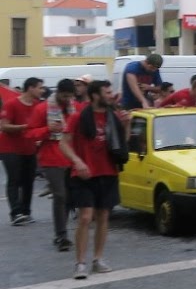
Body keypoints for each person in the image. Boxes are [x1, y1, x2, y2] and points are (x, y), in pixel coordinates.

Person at [56, 81, 125, 278]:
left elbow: (121, 146)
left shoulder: (114, 117)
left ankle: (98, 259)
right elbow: (63, 144)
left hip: (108, 172)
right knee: (86, 217)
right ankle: (80, 263)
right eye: (107, 92)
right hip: (84, 174)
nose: (111, 95)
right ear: (95, 95)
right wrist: (77, 161)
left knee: (103, 217)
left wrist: (126, 126)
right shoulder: (79, 117)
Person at [32, 81, 77, 251]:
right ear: (58, 92)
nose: (67, 99)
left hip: (70, 157)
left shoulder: (74, 108)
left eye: (70, 97)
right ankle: (61, 236)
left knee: (68, 198)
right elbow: (30, 133)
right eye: (64, 96)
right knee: (60, 196)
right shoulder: (42, 109)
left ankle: (61, 232)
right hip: (51, 158)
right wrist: (47, 129)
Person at [1, 77, 45, 226]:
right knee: (14, 179)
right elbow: (4, 126)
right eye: (40, 87)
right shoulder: (11, 104)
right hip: (10, 148)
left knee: (28, 181)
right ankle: (16, 213)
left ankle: (26, 212)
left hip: (29, 148)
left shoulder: (38, 105)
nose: (42, 90)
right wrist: (25, 126)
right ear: (30, 88)